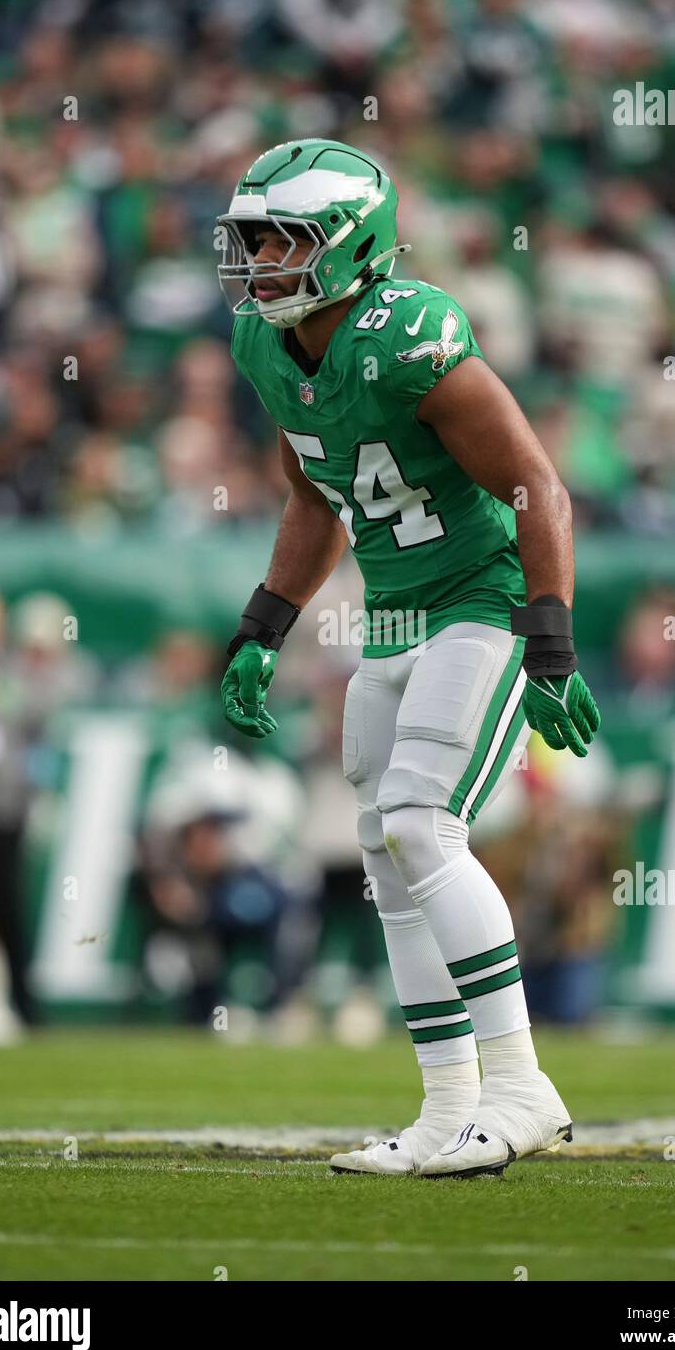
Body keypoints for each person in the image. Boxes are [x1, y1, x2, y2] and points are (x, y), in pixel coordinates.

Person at [215, 138, 600, 1178]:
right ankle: (445, 1108)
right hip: (388, 617)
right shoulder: (265, 346)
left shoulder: (410, 338)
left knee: (425, 825)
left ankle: (521, 1088)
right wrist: (263, 626)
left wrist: (549, 638)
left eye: (281, 243)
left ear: (349, 247)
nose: (257, 266)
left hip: (479, 601)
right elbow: (312, 497)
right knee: (386, 857)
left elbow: (533, 483)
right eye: (251, 243)